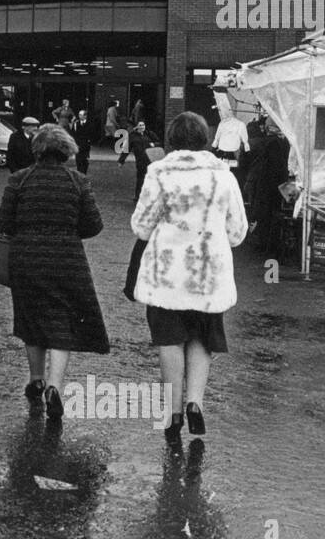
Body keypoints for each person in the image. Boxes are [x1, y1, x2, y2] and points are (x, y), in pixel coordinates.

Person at [131, 112, 248, 444]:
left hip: (165, 275)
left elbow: (140, 227)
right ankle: (195, 401)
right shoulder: (224, 177)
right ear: (205, 138)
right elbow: (238, 232)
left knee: (170, 340)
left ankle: (173, 412)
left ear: (171, 140)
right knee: (201, 338)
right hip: (208, 278)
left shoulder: (159, 174)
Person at [0, 124, 109, 420]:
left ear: (37, 149)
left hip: (26, 259)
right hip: (67, 260)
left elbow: (4, 223)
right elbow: (94, 225)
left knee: (31, 320)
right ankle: (55, 388)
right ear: (66, 150)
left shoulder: (19, 180)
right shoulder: (78, 181)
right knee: (62, 322)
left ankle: (35, 381)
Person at [248, 119, 291, 256]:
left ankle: (264, 244)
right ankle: (270, 245)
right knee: (273, 214)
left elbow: (266, 165)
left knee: (263, 214)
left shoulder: (266, 143)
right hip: (278, 183)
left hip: (264, 183)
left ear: (267, 128)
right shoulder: (283, 143)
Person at [119, 120, 163, 200]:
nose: (142, 126)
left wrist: (154, 144)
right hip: (140, 160)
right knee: (141, 178)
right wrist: (121, 161)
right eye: (140, 125)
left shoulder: (149, 134)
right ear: (136, 126)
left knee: (151, 177)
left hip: (150, 159)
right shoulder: (132, 136)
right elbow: (126, 149)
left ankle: (152, 196)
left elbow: (159, 142)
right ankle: (138, 196)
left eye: (143, 125)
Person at [73, 108, 99, 174]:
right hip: (78, 144)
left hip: (86, 144)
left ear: (85, 116)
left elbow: (93, 133)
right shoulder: (76, 124)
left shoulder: (90, 124)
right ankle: (79, 173)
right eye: (79, 115)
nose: (80, 116)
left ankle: (84, 173)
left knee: (84, 160)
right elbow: (74, 133)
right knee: (78, 160)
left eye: (81, 115)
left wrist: (90, 141)